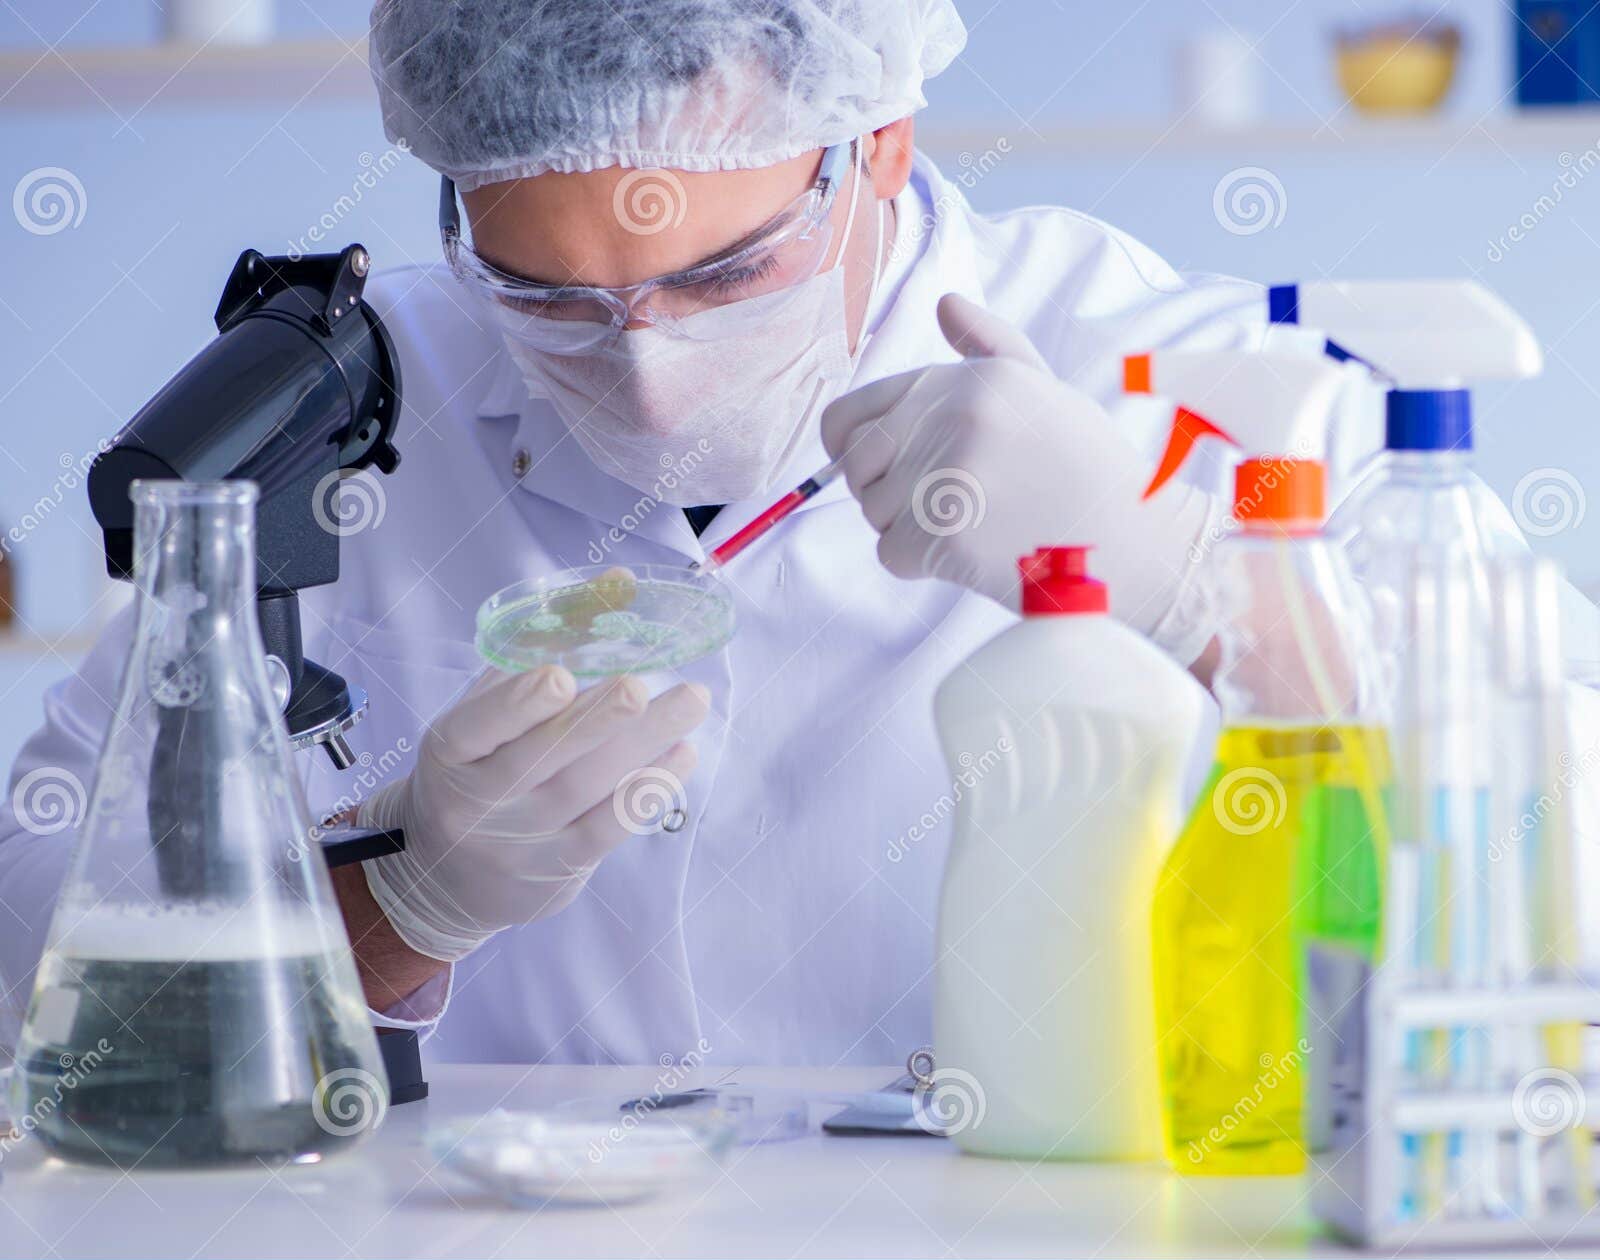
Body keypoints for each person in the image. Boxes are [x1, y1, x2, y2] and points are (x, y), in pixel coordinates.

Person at [1, 1, 1582, 1066]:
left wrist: (1190, 584)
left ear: (878, 140)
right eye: (548, 297)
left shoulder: (1208, 382)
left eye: (723, 274)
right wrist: (396, 914)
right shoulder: (344, 415)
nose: (644, 363)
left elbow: (1545, 869)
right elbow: (40, 948)